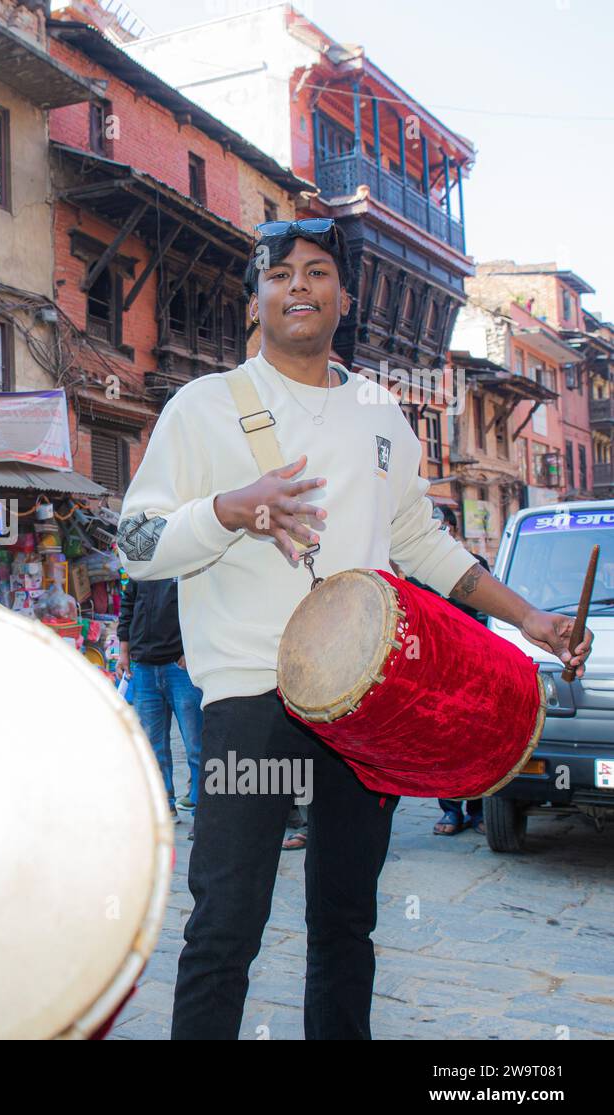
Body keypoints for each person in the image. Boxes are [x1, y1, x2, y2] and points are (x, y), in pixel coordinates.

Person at [118, 216, 591, 1041]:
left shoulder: (378, 410)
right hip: (248, 699)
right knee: (225, 924)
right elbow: (135, 544)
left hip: (367, 703)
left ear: (344, 296)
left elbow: (419, 540)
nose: (298, 285)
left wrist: (529, 619)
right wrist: (232, 507)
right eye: (278, 273)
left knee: (347, 920)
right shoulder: (203, 407)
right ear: (253, 301)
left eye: (317, 271)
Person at [427, 507, 493, 836]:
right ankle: (450, 811)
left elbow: (486, 615)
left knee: (476, 739)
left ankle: (479, 810)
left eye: (440, 524)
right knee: (443, 742)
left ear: (451, 529)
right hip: (437, 669)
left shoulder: (475, 567)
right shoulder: (417, 572)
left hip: (472, 665)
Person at [118, 578, 202, 824]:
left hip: (179, 667)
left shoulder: (184, 557)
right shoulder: (141, 563)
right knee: (153, 748)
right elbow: (128, 604)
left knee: (196, 746)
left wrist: (192, 650)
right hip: (143, 667)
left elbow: (200, 606)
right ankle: (164, 807)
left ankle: (203, 812)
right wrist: (124, 652)